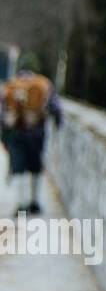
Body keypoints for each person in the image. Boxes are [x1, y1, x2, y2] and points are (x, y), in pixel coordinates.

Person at [2, 52, 64, 215]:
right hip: (36, 132)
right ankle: (34, 201)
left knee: (18, 166)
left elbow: (2, 110)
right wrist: (58, 123)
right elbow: (55, 106)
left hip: (15, 132)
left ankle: (21, 203)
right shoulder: (43, 84)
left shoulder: (10, 85)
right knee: (34, 165)